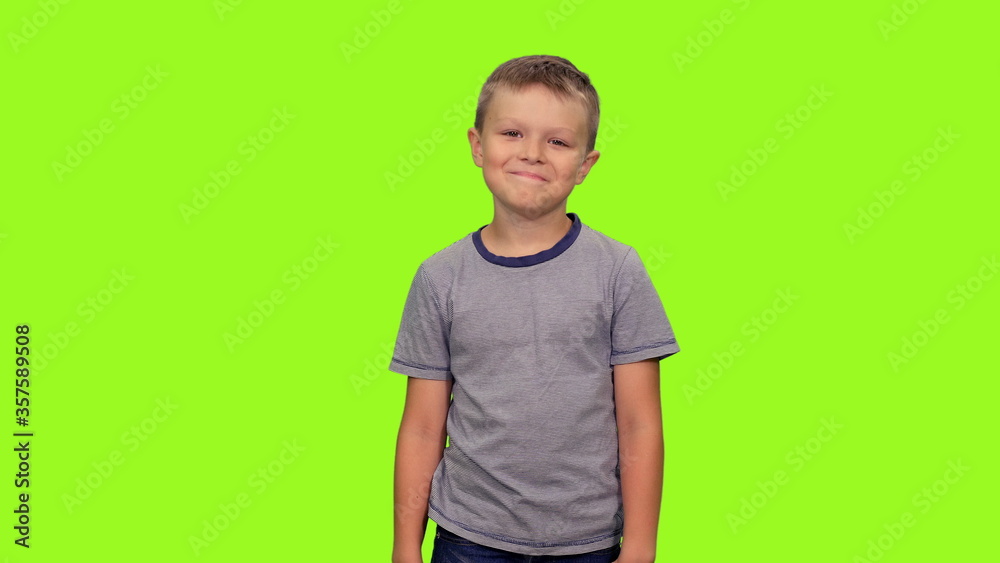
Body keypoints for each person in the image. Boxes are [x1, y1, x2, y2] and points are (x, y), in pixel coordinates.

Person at [390, 55, 680, 563]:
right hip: (469, 539)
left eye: (558, 141)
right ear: (477, 147)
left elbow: (640, 422)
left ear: (585, 164)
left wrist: (640, 547)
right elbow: (421, 426)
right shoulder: (439, 278)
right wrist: (403, 548)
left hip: (588, 542)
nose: (534, 154)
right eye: (512, 133)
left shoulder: (619, 271)